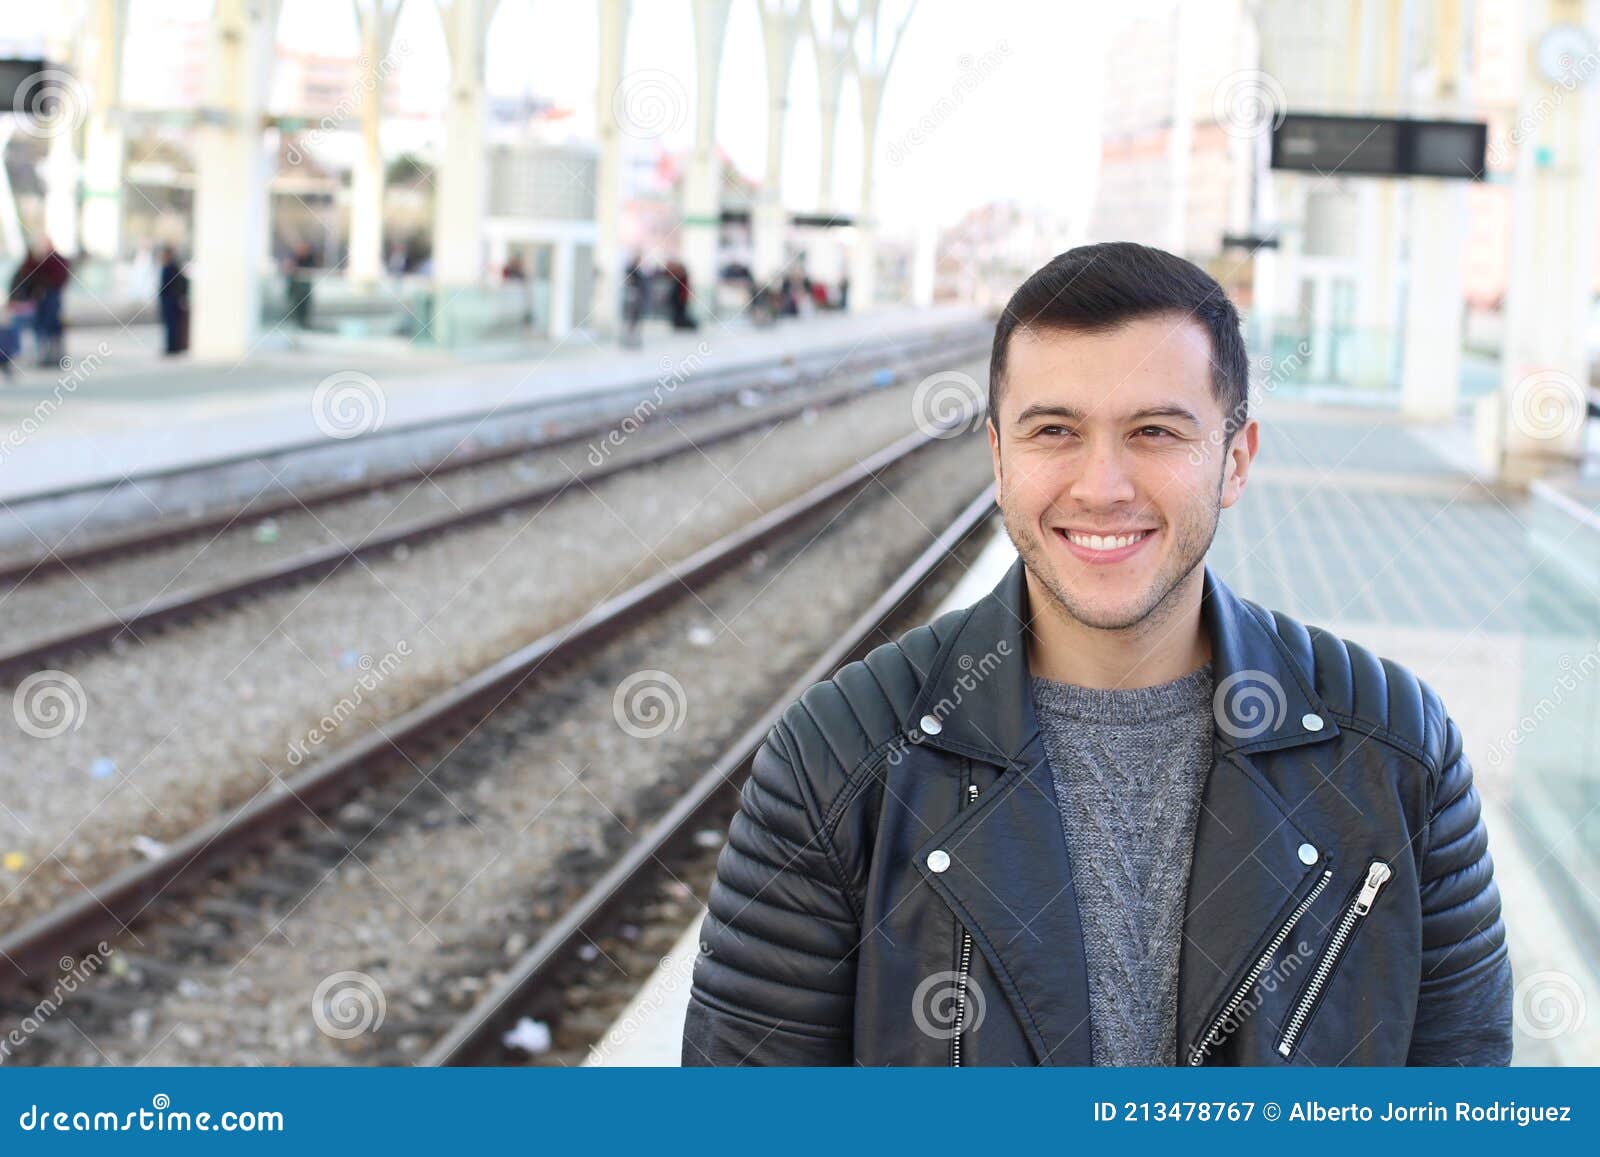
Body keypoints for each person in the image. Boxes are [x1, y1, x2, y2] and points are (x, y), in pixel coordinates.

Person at [683, 241, 1513, 1067]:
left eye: (1155, 431)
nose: (1102, 485)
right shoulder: (838, 759)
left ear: (1236, 459)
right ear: (999, 460)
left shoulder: (1395, 751)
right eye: (1055, 431)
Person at [10, 239, 69, 367]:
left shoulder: (54, 261)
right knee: (39, 328)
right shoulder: (33, 262)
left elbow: (56, 280)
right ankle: (44, 356)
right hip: (38, 301)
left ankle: (53, 356)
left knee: (49, 327)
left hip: (49, 298)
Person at [157, 246, 189, 356]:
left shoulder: (172, 267)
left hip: (171, 301)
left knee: (172, 325)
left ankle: (173, 348)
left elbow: (180, 284)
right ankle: (171, 347)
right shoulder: (168, 267)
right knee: (169, 325)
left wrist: (179, 297)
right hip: (167, 301)